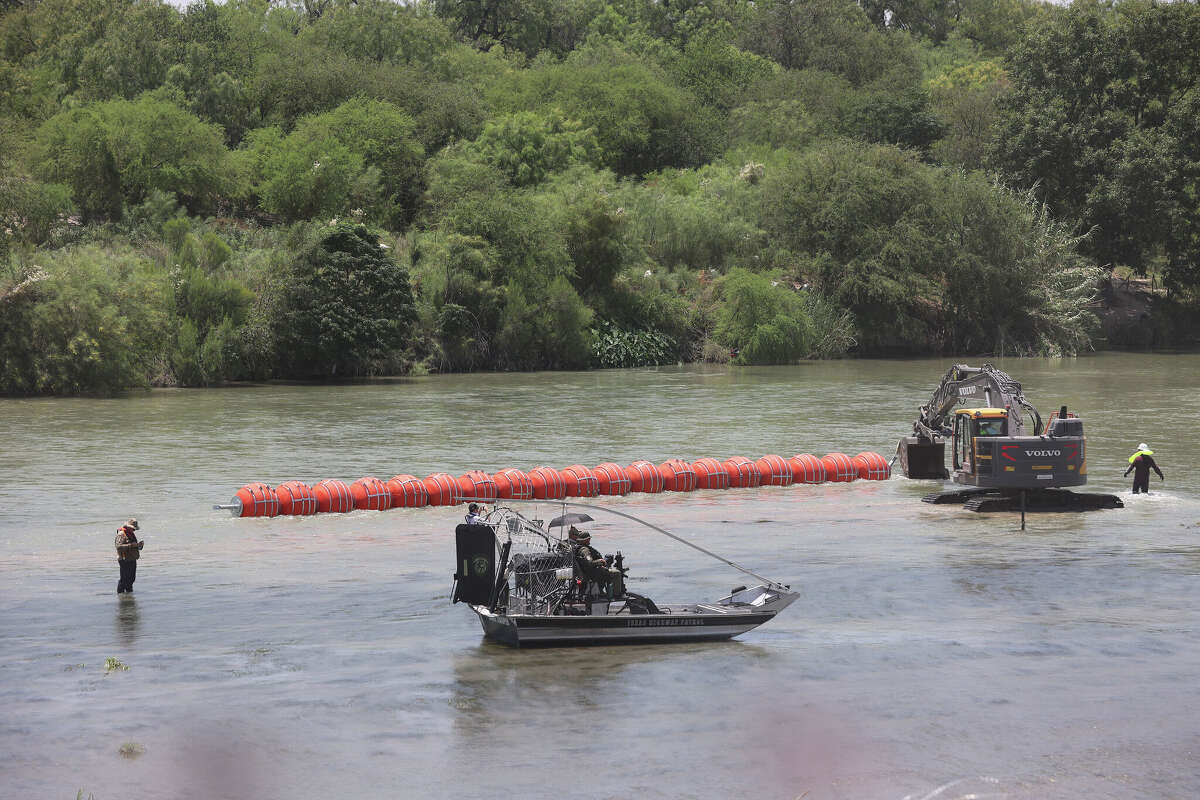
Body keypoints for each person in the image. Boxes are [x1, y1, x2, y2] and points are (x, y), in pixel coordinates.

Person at [567, 525, 624, 598]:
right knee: (616, 573)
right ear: (584, 540)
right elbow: (590, 562)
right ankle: (617, 594)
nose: (589, 540)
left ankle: (601, 591)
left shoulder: (578, 548)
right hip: (591, 573)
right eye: (588, 539)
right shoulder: (584, 550)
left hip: (588, 571)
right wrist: (599, 561)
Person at [114, 518, 144, 594]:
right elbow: (118, 546)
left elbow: (134, 546)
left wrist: (139, 545)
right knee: (124, 580)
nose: (134, 530)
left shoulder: (130, 533)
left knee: (132, 579)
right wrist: (131, 545)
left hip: (132, 558)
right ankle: (120, 596)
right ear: (127, 527)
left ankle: (129, 595)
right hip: (124, 559)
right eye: (133, 529)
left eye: (134, 529)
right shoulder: (121, 534)